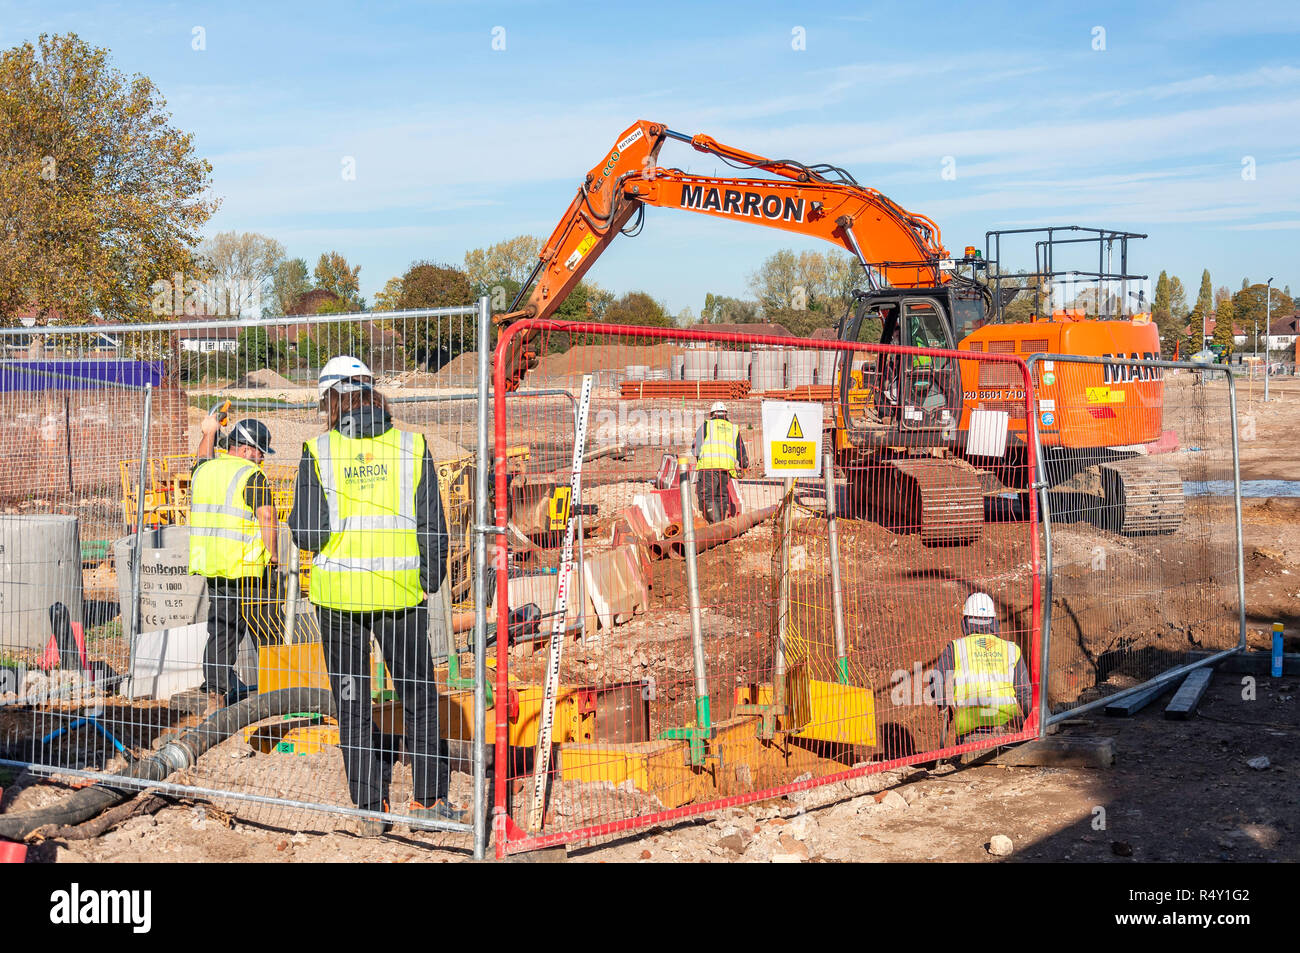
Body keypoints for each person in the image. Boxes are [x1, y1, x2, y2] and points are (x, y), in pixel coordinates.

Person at [288, 355, 461, 836]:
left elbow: (307, 532)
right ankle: (428, 801)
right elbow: (433, 524)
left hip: (339, 600)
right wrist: (428, 580)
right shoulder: (411, 446)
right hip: (400, 596)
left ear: (329, 400)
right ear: (373, 393)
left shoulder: (318, 451)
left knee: (352, 700)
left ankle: (370, 807)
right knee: (419, 697)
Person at [187, 413, 278, 708]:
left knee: (222, 629)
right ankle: (276, 689)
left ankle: (217, 691)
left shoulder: (205, 470)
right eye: (260, 452)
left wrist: (209, 432)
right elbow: (266, 516)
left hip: (215, 565)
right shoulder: (251, 475)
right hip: (248, 567)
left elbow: (202, 456)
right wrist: (274, 554)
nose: (262, 459)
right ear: (246, 449)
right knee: (266, 629)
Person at [938, 592, 1032, 746]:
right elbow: (1025, 693)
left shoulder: (956, 648)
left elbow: (938, 683)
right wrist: (1034, 724)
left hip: (971, 733)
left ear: (966, 621)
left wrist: (944, 705)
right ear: (993, 621)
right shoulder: (1011, 649)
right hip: (1010, 732)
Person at [690, 401, 749, 524]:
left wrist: (699, 458)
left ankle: (715, 523)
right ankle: (721, 524)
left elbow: (695, 448)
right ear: (725, 414)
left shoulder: (706, 425)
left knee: (708, 495)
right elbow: (741, 450)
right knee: (721, 496)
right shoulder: (733, 428)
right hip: (726, 468)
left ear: (712, 414)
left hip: (708, 466)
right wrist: (743, 464)